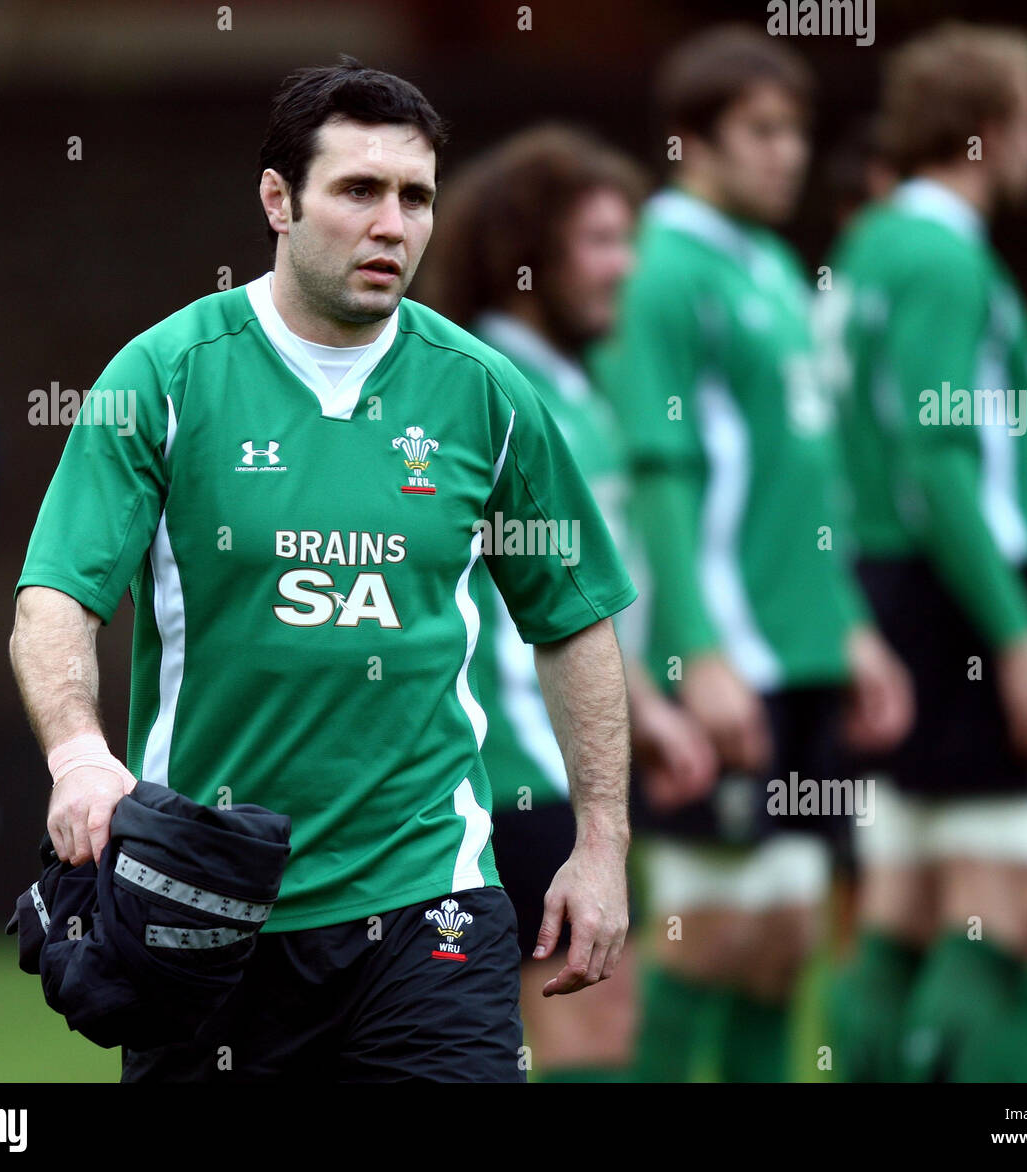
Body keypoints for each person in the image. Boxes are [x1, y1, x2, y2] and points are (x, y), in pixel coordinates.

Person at [8, 58, 638, 1083]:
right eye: (358, 190)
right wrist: (78, 754)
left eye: (415, 196)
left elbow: (572, 617)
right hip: (205, 904)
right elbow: (57, 596)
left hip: (430, 894)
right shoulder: (165, 376)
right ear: (277, 200)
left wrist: (602, 842)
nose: (392, 223)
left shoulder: (485, 392)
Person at [599, 25, 912, 1082]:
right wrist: (697, 648)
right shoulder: (657, 268)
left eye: (797, 130)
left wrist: (849, 625)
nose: (787, 152)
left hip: (804, 647)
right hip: (725, 653)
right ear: (691, 142)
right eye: (760, 131)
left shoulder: (775, 267)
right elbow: (661, 469)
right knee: (705, 928)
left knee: (782, 940)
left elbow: (799, 483)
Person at [821, 23, 1027, 1082]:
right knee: (1006, 908)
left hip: (881, 590)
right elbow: (939, 459)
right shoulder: (943, 256)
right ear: (990, 133)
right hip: (951, 591)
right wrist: (1020, 638)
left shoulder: (867, 247)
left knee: (905, 906)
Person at [420, 125, 717, 1082]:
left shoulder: (559, 389)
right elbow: (549, 609)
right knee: (591, 1028)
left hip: (533, 756)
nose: (626, 267)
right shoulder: (507, 391)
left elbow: (576, 597)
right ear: (527, 261)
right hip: (520, 760)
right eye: (598, 242)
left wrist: (652, 713)